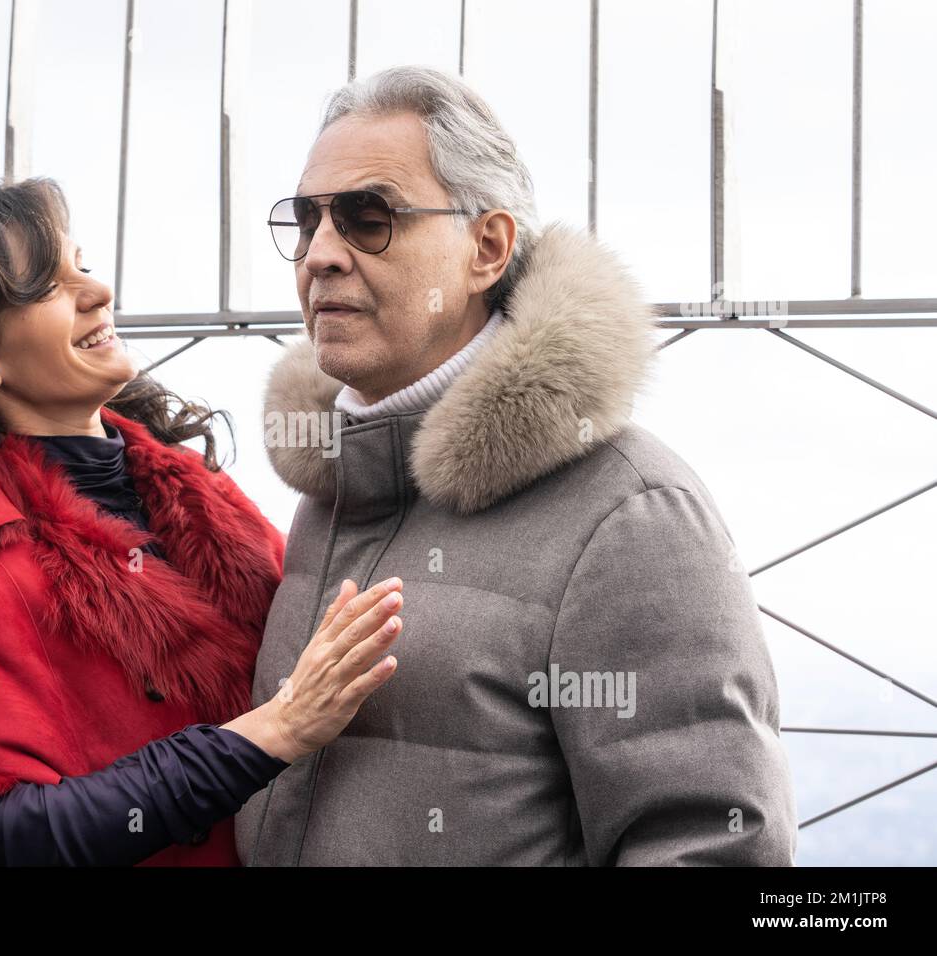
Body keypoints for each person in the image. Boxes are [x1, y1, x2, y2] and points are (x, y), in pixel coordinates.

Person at [236, 66, 798, 866]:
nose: (320, 254)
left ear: (487, 248)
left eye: (369, 217)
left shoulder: (630, 512)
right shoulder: (333, 490)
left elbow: (710, 845)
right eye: (306, 220)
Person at [0, 172, 404, 866]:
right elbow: (11, 837)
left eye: (82, 266)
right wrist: (276, 731)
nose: (98, 293)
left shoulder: (195, 491)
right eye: (45, 287)